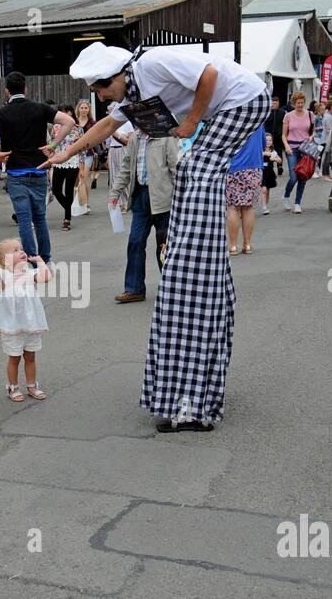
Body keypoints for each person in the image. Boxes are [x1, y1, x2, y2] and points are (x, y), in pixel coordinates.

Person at [54, 41, 270, 432]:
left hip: (245, 98)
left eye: (101, 90)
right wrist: (64, 152)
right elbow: (106, 126)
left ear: (115, 77)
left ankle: (189, 244)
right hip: (230, 105)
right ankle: (187, 240)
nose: (100, 97)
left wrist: (191, 123)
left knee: (194, 168)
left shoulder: (152, 64)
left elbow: (210, 75)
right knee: (192, 168)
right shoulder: (131, 90)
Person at [0, 72, 74, 265]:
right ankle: (44, 258)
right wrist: (54, 145)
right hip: (38, 169)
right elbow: (69, 122)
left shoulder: (2, 112)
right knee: (40, 218)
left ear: (6, 91)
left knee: (24, 220)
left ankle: (31, 259)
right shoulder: (39, 108)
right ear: (25, 89)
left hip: (15, 172)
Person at [110, 130, 179, 302]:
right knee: (135, 241)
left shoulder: (165, 137)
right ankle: (134, 289)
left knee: (164, 246)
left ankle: (172, 289)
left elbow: (176, 168)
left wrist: (182, 196)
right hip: (140, 196)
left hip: (163, 197)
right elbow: (126, 167)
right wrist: (115, 192)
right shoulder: (135, 138)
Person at [0, 238, 51, 402]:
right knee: (14, 358)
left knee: (30, 357)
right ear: (3, 260)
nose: (20, 251)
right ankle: (13, 387)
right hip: (12, 326)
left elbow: (46, 278)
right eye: (14, 250)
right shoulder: (3, 274)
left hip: (31, 325)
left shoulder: (29, 273)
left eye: (20, 248)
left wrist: (41, 262)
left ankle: (32, 386)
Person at [225, 125, 264, 253]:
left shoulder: (232, 120)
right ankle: (247, 244)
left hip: (233, 166)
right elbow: (263, 143)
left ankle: (233, 245)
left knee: (232, 206)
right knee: (248, 207)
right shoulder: (259, 122)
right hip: (254, 166)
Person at [47, 104, 83, 230]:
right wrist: (49, 160)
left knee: (69, 190)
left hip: (73, 161)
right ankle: (68, 208)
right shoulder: (56, 127)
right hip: (58, 160)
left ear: (70, 113)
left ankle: (67, 218)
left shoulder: (78, 129)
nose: (62, 115)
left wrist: (82, 166)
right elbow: (52, 144)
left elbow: (82, 148)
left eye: (65, 112)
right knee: (56, 189)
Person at [280, 92, 313, 213]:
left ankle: (298, 203)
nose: (300, 105)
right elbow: (283, 135)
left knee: (302, 177)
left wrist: (311, 137)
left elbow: (313, 131)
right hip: (292, 148)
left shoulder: (310, 114)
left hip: (305, 149)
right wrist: (286, 146)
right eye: (298, 103)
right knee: (293, 178)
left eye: (302, 102)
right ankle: (286, 195)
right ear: (294, 103)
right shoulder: (288, 116)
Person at [259, 131, 282, 214]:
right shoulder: (259, 150)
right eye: (266, 140)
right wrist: (264, 153)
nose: (268, 142)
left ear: (272, 142)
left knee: (267, 190)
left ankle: (265, 205)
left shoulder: (273, 151)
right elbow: (255, 156)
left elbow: (280, 160)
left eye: (270, 140)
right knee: (264, 190)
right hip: (261, 172)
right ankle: (264, 207)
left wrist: (275, 159)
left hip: (269, 173)